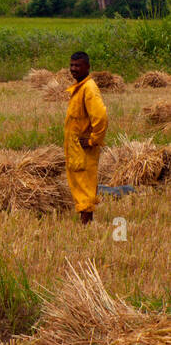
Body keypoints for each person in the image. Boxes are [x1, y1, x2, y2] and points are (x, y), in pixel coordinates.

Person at [64, 51, 108, 225]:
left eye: (78, 65)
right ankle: (85, 219)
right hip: (75, 148)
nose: (74, 69)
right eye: (72, 65)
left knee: (85, 183)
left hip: (84, 148)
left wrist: (93, 140)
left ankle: (86, 222)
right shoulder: (79, 87)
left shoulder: (89, 89)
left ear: (87, 67)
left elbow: (101, 117)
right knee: (80, 182)